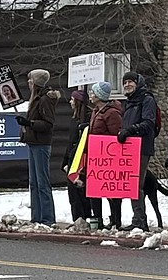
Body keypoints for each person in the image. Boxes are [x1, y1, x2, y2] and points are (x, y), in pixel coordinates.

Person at [14, 68, 59, 226]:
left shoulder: (45, 99)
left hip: (41, 143)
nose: (28, 82)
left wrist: (29, 123)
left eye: (30, 80)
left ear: (36, 82)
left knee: (42, 182)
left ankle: (47, 217)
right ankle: (37, 216)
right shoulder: (36, 98)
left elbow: (48, 123)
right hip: (33, 142)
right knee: (34, 182)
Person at [118, 71, 159, 232]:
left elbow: (148, 123)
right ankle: (139, 219)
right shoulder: (130, 101)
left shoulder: (146, 99)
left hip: (141, 147)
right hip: (129, 148)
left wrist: (130, 131)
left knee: (136, 184)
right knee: (131, 184)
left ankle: (140, 221)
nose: (127, 85)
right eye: (125, 82)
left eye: (130, 82)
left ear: (138, 83)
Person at [86, 82, 124, 229]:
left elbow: (116, 134)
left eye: (93, 93)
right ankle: (98, 220)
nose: (90, 95)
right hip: (96, 155)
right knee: (95, 188)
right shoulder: (97, 111)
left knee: (111, 191)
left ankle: (116, 219)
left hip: (107, 157)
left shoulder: (111, 113)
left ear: (100, 96)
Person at [63, 90, 91, 222]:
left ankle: (85, 217)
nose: (70, 102)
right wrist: (65, 160)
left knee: (81, 192)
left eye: (72, 100)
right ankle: (77, 219)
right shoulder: (74, 119)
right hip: (72, 158)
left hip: (82, 158)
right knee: (72, 193)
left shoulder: (88, 117)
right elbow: (70, 141)